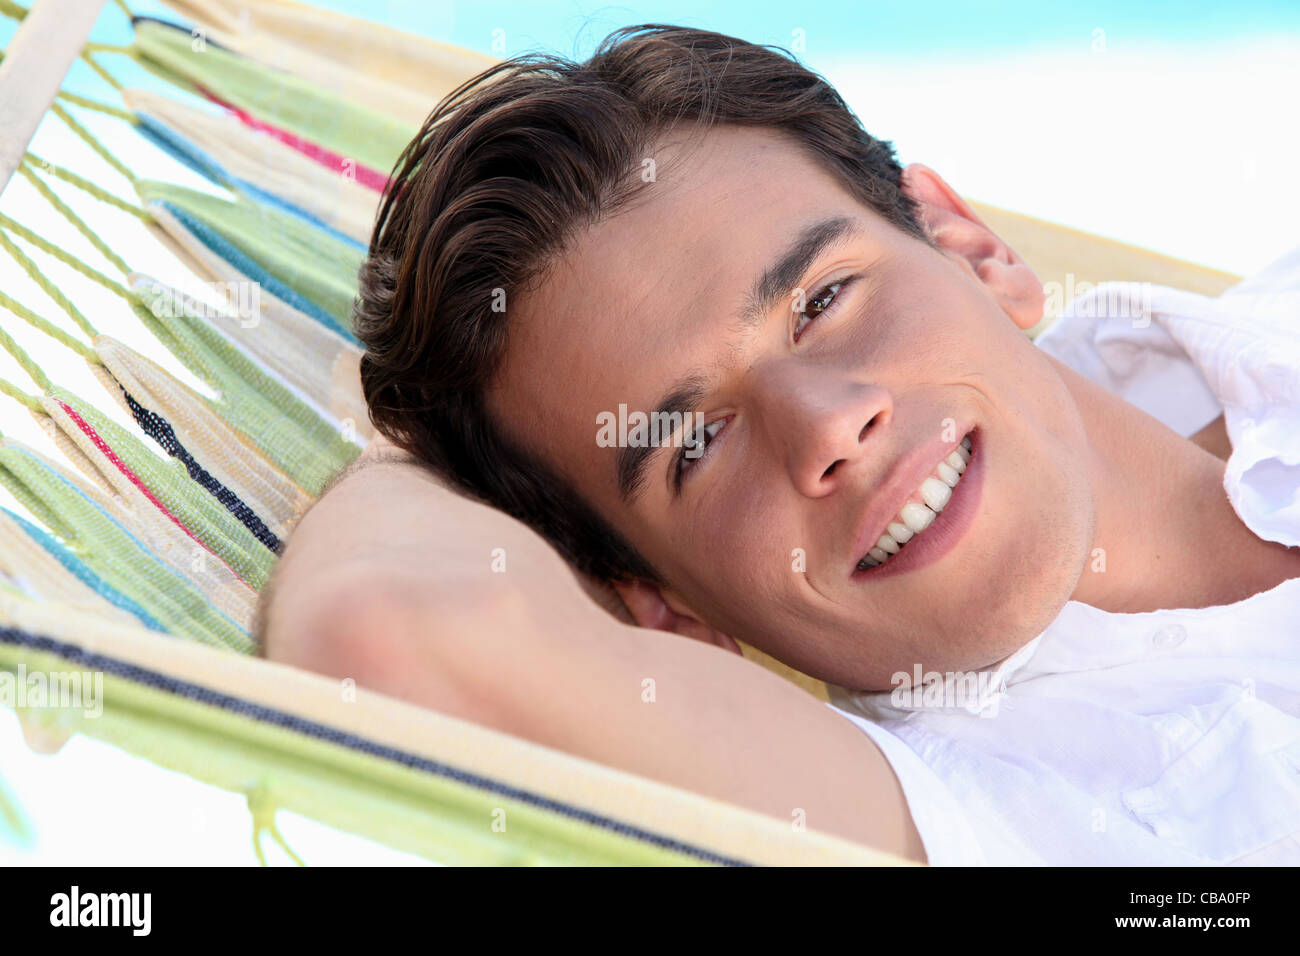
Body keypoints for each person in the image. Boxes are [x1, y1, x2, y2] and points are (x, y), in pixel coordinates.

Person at [257, 24, 1300, 864]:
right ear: (663, 605)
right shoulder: (941, 812)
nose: (826, 424)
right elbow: (386, 635)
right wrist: (396, 437)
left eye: (824, 299)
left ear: (971, 250)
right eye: (694, 445)